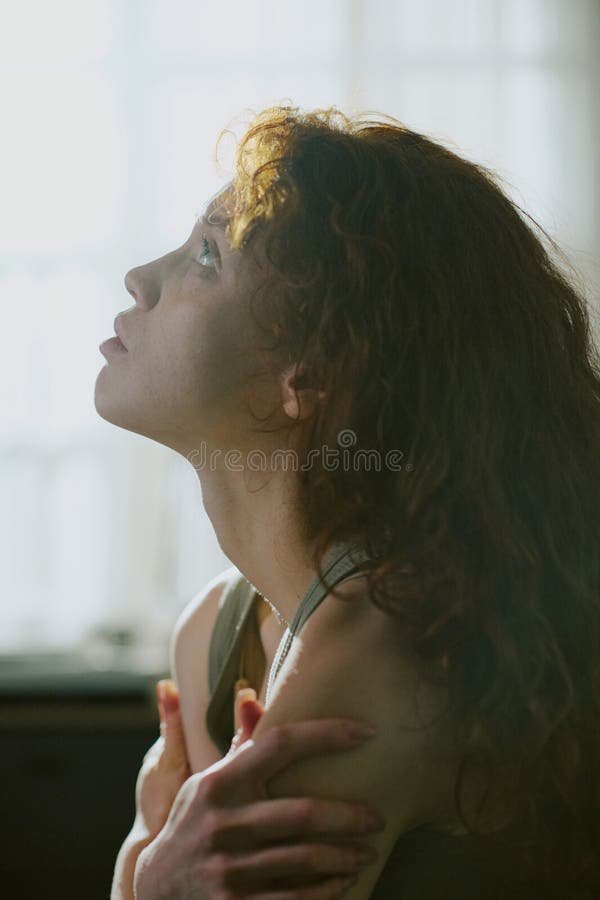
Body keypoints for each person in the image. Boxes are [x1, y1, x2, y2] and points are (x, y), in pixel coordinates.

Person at [98, 105, 600, 899]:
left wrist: (144, 882)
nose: (141, 278)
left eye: (205, 257)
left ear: (308, 371)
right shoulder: (213, 635)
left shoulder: (383, 632)